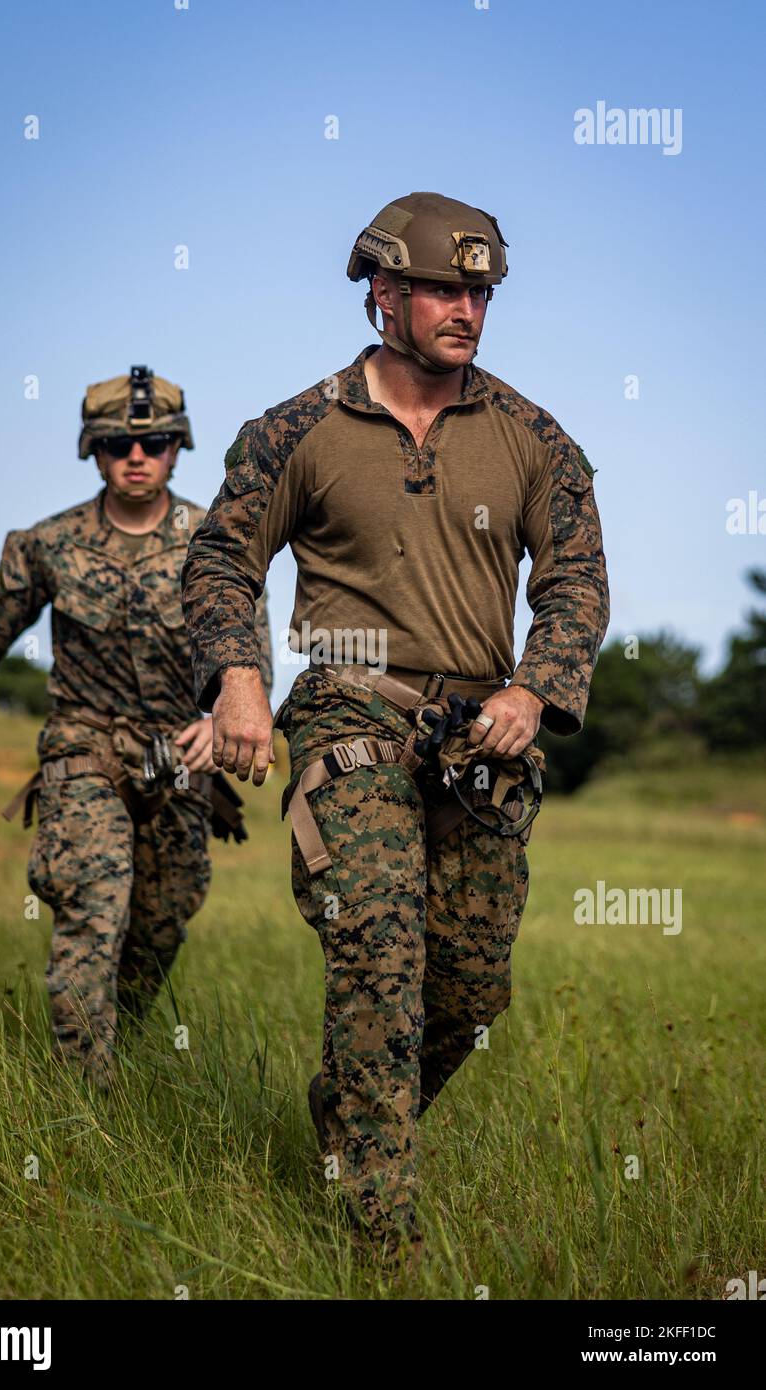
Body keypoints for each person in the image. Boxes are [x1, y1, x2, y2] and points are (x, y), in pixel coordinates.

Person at [180, 193, 609, 1252]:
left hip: (481, 736)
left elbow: (575, 588)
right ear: (383, 292)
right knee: (376, 951)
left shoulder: (534, 440)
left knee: (468, 990)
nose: (466, 308)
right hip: (345, 711)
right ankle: (379, 1241)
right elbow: (222, 562)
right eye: (443, 289)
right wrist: (238, 677)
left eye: (480, 291)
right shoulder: (293, 432)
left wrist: (531, 687)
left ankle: (351, 1109)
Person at [0, 365, 273, 1090]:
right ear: (92, 451)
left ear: (177, 448)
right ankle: (84, 1103)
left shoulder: (216, 544)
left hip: (180, 756)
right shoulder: (46, 546)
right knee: (93, 911)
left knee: (162, 923)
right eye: (116, 444)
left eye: (154, 442)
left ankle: (119, 1040)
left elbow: (249, 652)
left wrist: (219, 716)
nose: (135, 457)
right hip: (84, 748)